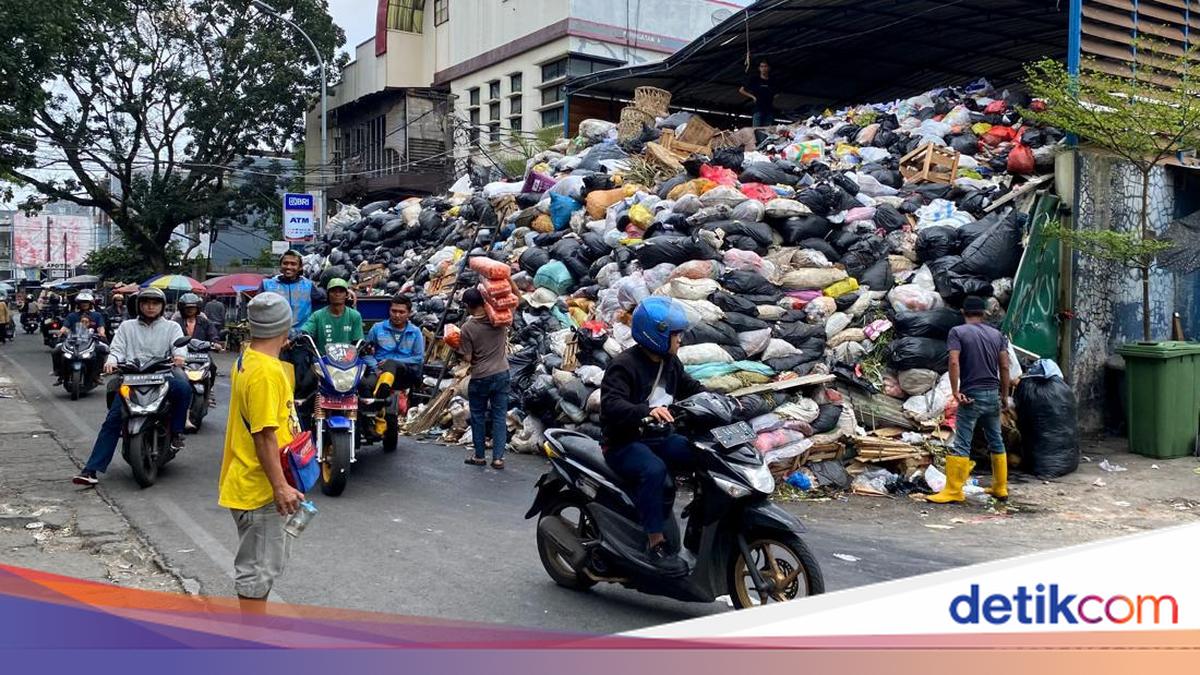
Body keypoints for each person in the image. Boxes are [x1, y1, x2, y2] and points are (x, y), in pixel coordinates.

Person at [600, 297, 703, 575]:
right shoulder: (624, 365)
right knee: (654, 470)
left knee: (700, 453)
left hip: (658, 438)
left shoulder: (670, 362)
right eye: (675, 334)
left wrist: (720, 401)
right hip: (623, 442)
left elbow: (691, 388)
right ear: (656, 335)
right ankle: (654, 542)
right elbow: (612, 405)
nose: (680, 340)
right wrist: (648, 411)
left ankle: (701, 521)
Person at [217, 292, 304, 608]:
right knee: (257, 571)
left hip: (251, 480)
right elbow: (265, 436)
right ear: (286, 326)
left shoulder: (248, 358)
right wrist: (280, 486)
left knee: (262, 566)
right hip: (258, 487)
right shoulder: (266, 372)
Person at [72, 288, 192, 486]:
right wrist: (111, 361)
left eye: (155, 303)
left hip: (160, 377)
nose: (150, 307)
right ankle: (90, 470)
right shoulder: (127, 327)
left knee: (183, 388)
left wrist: (180, 356)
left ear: (162, 306)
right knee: (112, 420)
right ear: (139, 305)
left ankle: (177, 433)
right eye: (146, 303)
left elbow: (180, 347)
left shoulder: (171, 327)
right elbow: (117, 349)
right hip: (131, 379)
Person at [927, 296, 1012, 504]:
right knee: (996, 440)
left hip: (971, 396)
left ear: (963, 312)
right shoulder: (997, 334)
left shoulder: (957, 332)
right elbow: (1005, 366)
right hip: (993, 394)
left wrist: (955, 391)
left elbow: (954, 362)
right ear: (983, 314)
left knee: (963, 441)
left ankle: (954, 490)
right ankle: (1000, 487)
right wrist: (1004, 395)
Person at [458, 288, 510, 469]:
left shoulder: (467, 328)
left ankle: (479, 456)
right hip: (502, 373)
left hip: (480, 376)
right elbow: (517, 300)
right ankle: (498, 459)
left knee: (478, 416)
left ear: (467, 306)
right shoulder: (500, 319)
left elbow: (467, 358)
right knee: (499, 416)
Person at [260, 250, 324, 388]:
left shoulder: (308, 285)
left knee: (301, 381)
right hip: (274, 341)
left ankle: (297, 408)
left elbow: (326, 300)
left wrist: (347, 291)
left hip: (300, 342)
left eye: (293, 264)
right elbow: (258, 311)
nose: (289, 267)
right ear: (280, 265)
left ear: (300, 267)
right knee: (275, 380)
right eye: (285, 263)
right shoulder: (267, 285)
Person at [362, 294, 425, 433]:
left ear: (408, 313)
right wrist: (375, 367)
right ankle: (367, 422)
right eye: (394, 311)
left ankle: (379, 406)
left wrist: (396, 361)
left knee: (391, 363)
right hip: (380, 373)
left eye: (401, 312)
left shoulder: (415, 332)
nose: (397, 315)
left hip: (404, 373)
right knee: (364, 384)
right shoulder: (377, 328)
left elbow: (418, 358)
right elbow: (366, 353)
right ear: (389, 311)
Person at [51, 291, 107, 384]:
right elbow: (65, 327)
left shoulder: (97, 315)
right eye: (82, 302)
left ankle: (96, 374)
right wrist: (60, 332)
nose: (84, 304)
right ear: (78, 304)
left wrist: (102, 333)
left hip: (91, 341)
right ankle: (60, 374)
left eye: (86, 302)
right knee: (56, 350)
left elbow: (101, 327)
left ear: (90, 303)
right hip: (73, 341)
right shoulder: (72, 315)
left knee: (103, 350)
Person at [300, 278, 363, 354]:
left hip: (348, 360)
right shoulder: (317, 315)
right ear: (328, 294)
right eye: (333, 291)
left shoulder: (354, 315)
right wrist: (302, 334)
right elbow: (306, 331)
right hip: (323, 360)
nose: (337, 294)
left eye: (341, 291)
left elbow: (358, 340)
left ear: (346, 295)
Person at [738, 58, 776, 127]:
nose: (764, 68)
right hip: (758, 109)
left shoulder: (772, 81)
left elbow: (778, 92)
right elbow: (741, 90)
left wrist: (771, 97)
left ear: (769, 68)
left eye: (765, 66)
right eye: (762, 66)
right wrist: (753, 97)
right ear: (759, 68)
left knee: (767, 132)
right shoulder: (755, 79)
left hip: (769, 110)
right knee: (756, 131)